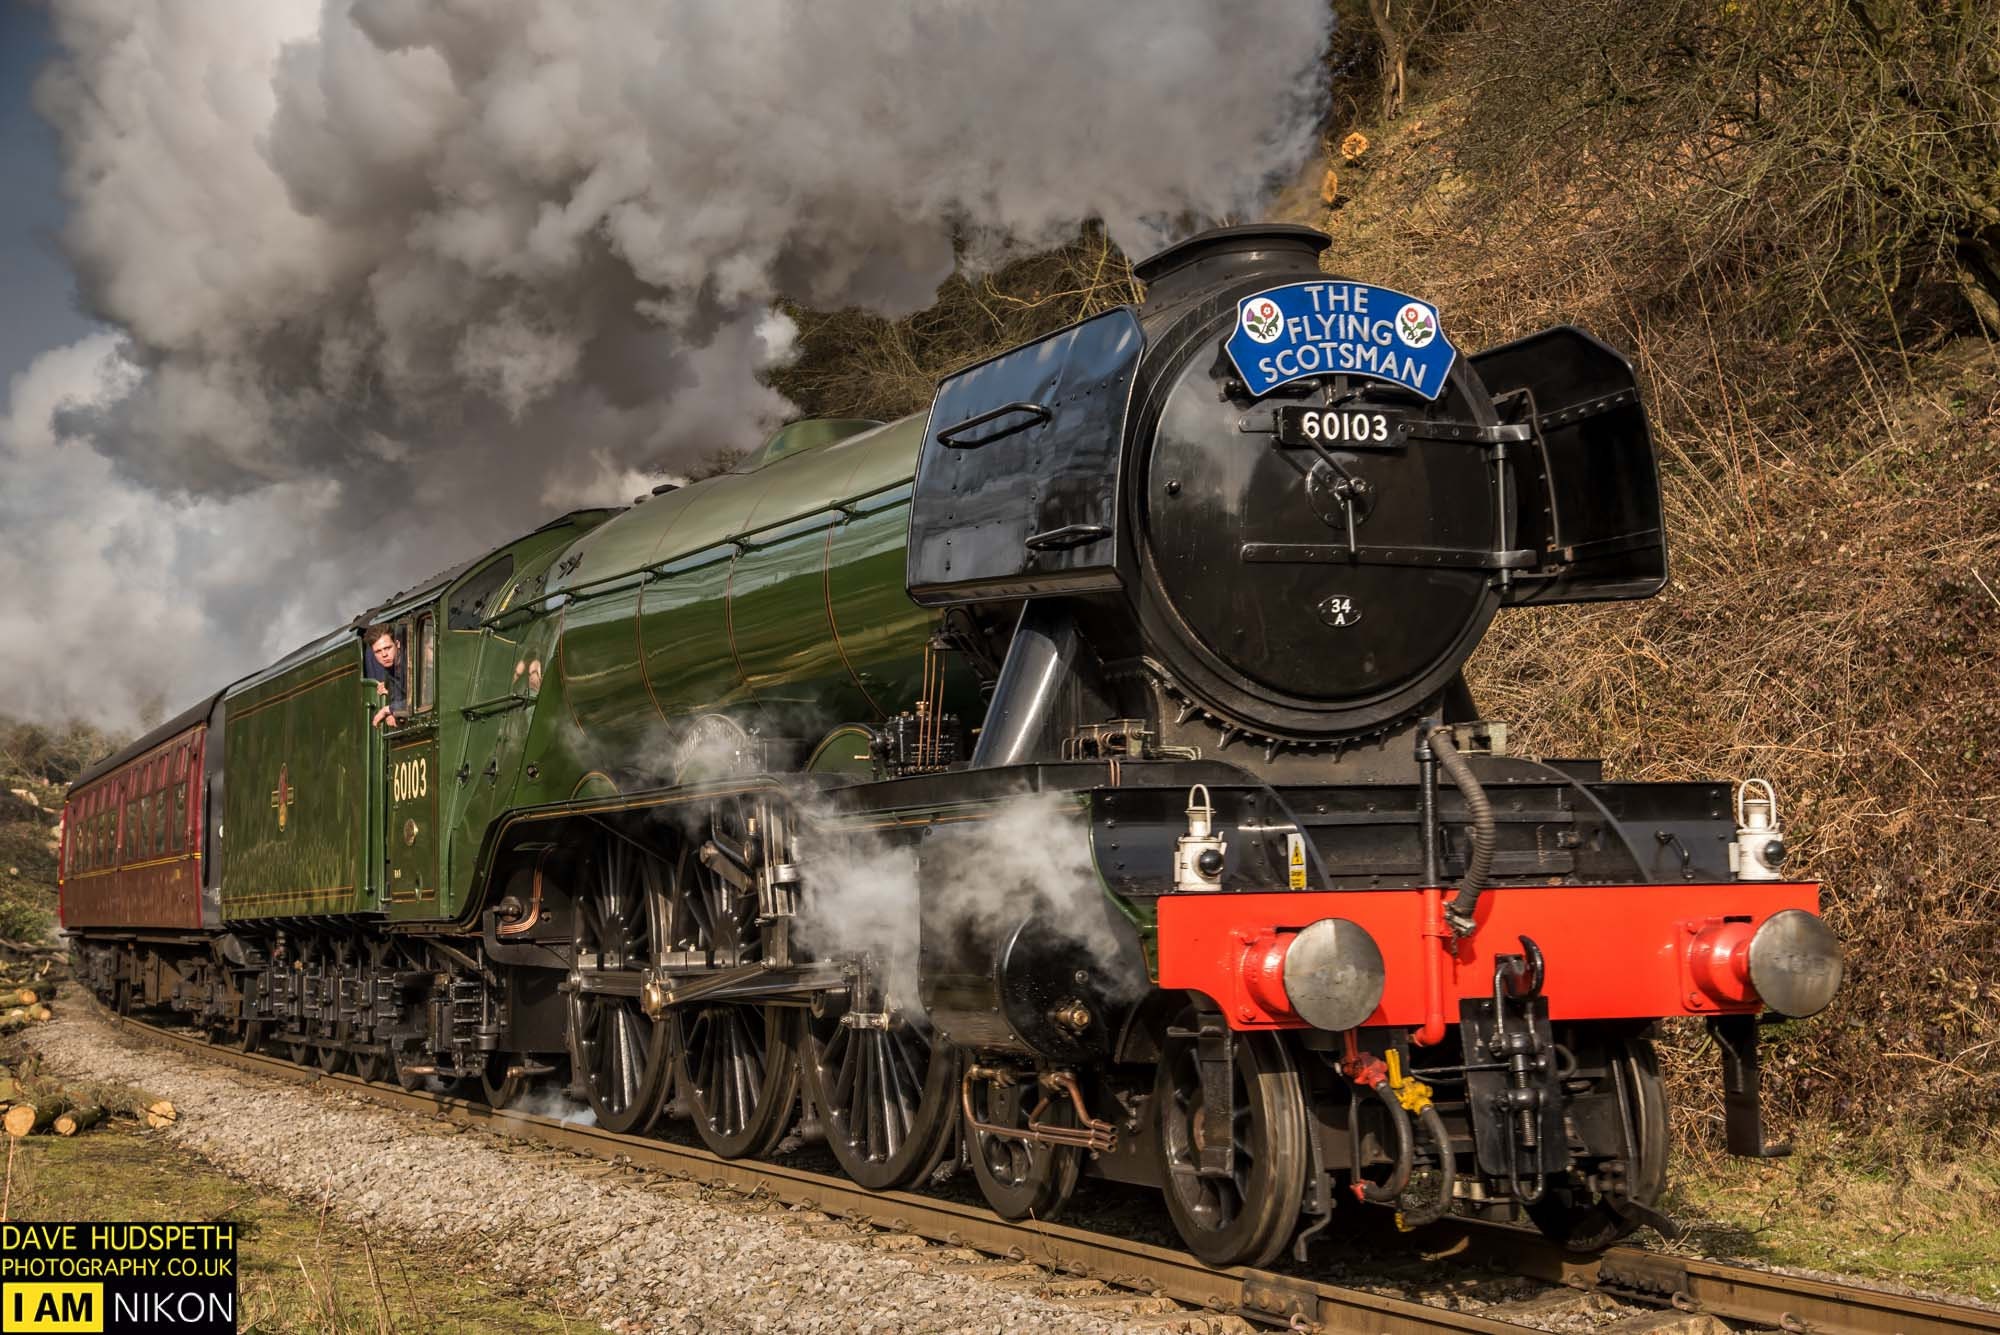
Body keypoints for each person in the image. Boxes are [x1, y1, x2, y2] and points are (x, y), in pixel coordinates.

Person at [363, 625, 406, 728]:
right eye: (378, 651)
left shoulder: (411, 662)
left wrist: (388, 709)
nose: (384, 655)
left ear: (397, 644)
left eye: (387, 648)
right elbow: (399, 698)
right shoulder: (390, 670)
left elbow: (422, 699)